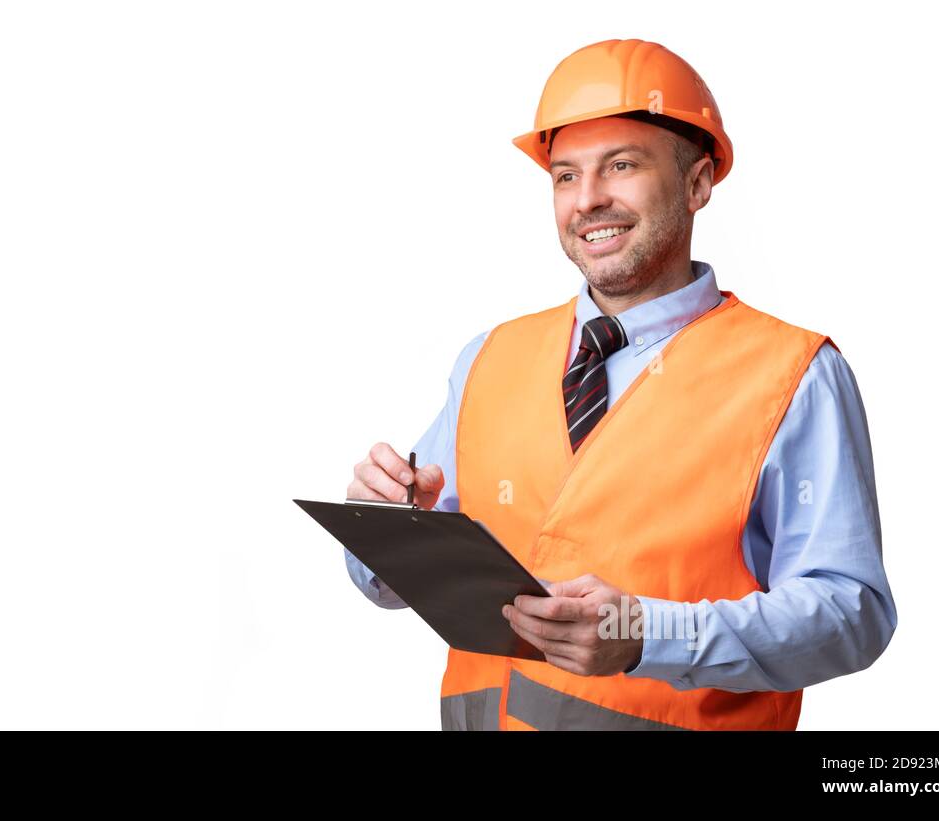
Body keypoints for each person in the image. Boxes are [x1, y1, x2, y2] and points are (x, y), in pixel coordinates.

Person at [341, 39, 897, 731]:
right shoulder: (490, 356)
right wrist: (387, 526)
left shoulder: (793, 374)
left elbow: (852, 613)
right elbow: (397, 582)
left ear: (698, 183)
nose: (589, 200)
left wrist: (646, 633)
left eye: (622, 165)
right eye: (565, 176)